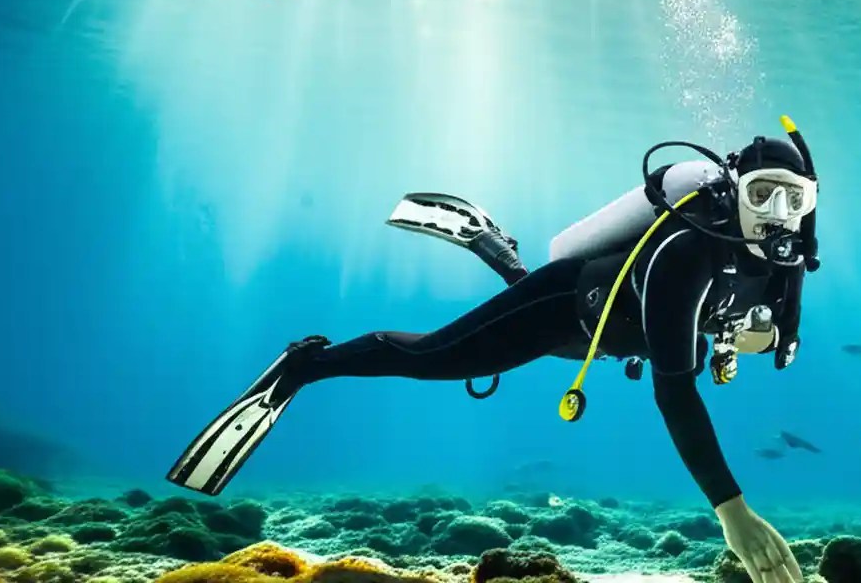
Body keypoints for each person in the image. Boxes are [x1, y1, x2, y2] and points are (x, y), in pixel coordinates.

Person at [166, 116, 823, 583]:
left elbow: (773, 328)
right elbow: (674, 389)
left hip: (617, 336)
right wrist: (731, 511)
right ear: (736, 190)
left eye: (794, 201)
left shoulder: (789, 256)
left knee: (525, 338)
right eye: (762, 195)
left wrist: (765, 339)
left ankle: (497, 249)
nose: (777, 215)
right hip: (568, 307)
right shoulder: (690, 247)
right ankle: (305, 363)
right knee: (439, 358)